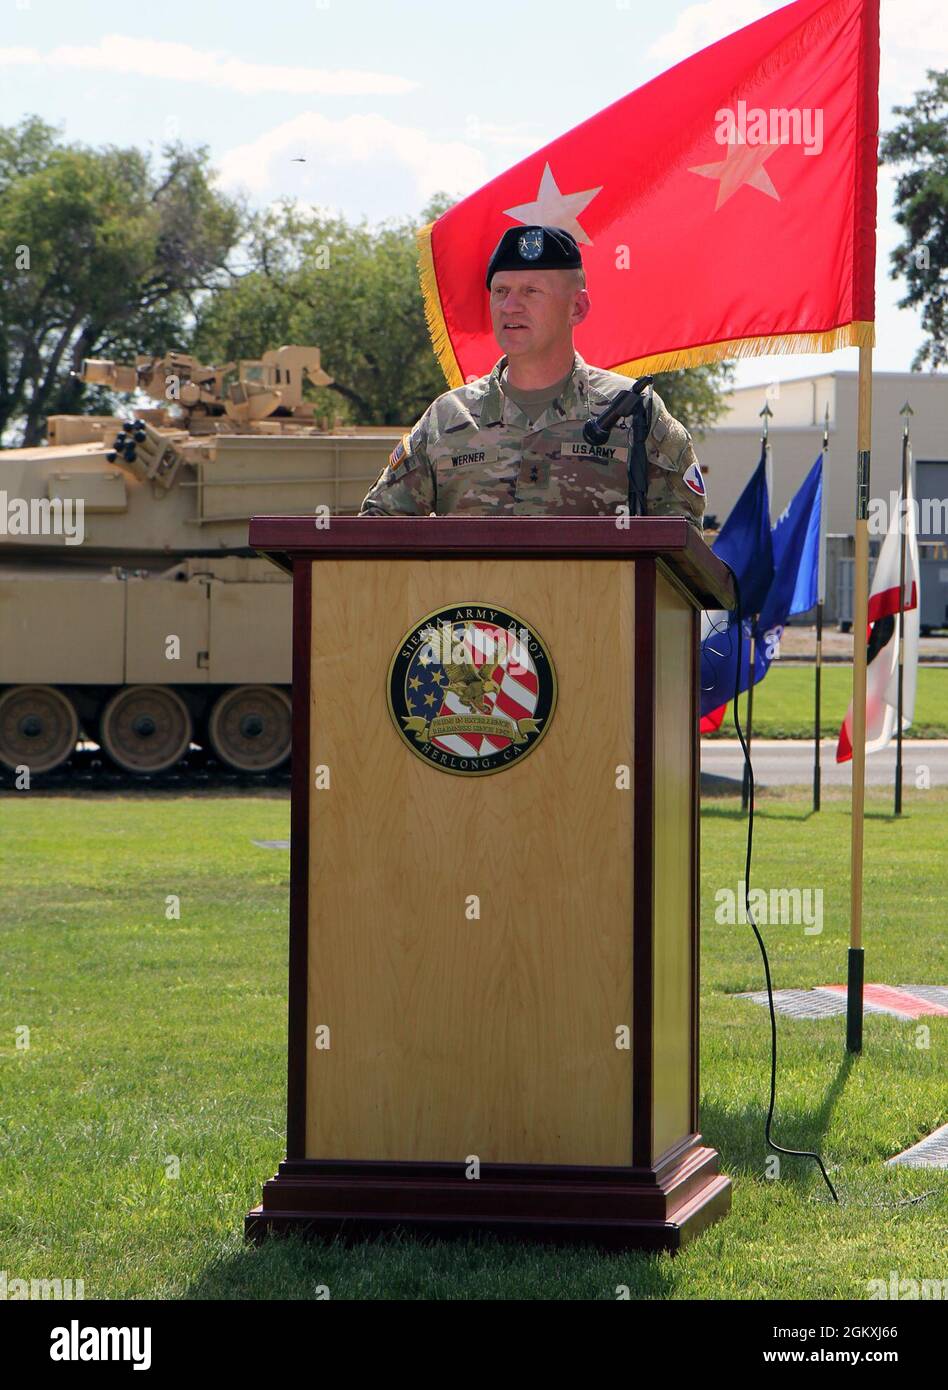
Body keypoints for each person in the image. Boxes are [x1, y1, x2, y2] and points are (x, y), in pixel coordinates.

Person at [359, 224, 707, 528]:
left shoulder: (633, 411)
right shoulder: (448, 418)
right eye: (501, 292)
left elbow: (680, 546)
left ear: (577, 307)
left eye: (531, 291)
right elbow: (378, 529)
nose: (510, 307)